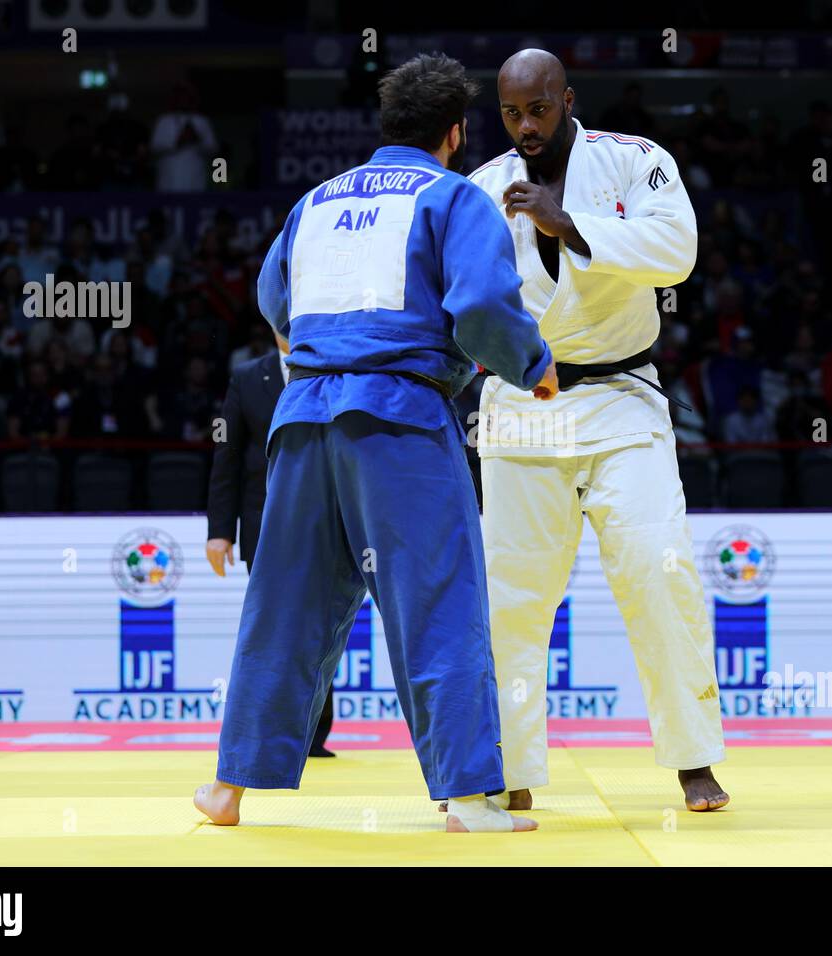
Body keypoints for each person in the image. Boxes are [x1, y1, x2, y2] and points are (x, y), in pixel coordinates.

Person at [194, 53, 558, 835]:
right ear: (455, 134)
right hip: (397, 423)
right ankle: (465, 798)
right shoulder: (454, 198)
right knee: (439, 602)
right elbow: (483, 305)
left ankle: (228, 788)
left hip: (301, 422)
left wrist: (323, 351)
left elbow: (271, 298)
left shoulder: (316, 201)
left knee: (283, 607)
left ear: (387, 126)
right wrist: (532, 365)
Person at [468, 49, 728, 814]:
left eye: (539, 109)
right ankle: (509, 766)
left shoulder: (634, 162)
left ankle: (694, 760)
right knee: (512, 593)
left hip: (620, 393)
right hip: (522, 403)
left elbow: (677, 254)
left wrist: (569, 224)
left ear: (567, 99)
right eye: (513, 113)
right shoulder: (482, 188)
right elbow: (463, 300)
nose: (526, 127)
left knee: (660, 567)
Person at [205, 328, 337, 758]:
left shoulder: (332, 365)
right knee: (272, 627)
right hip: (263, 523)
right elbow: (226, 454)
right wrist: (220, 531)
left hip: (324, 515)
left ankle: (314, 733)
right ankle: (269, 735)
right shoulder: (247, 377)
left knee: (320, 621)